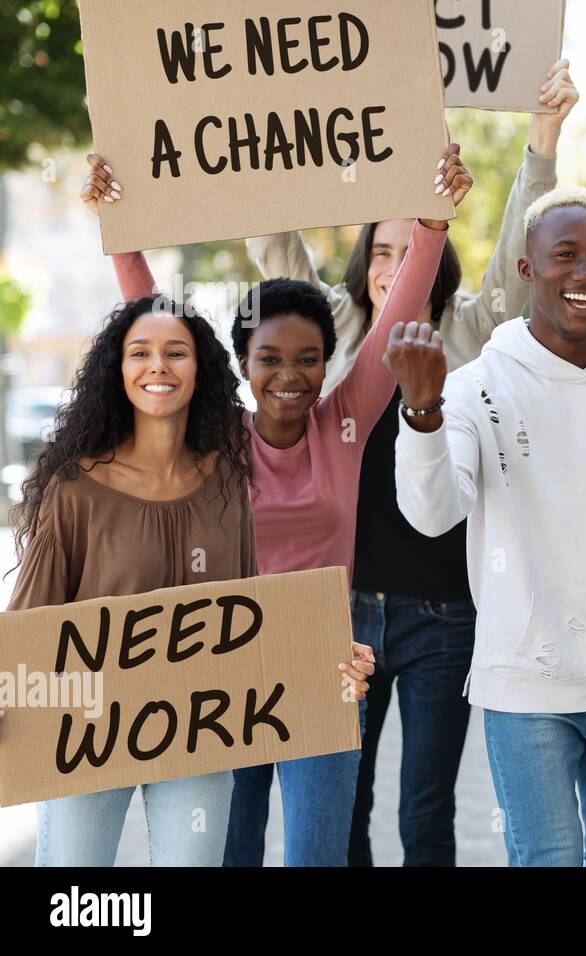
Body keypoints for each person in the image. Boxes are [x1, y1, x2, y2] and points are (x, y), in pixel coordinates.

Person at [83, 143, 472, 866]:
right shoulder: (215, 437)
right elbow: (150, 320)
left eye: (307, 359)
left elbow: (400, 309)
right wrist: (119, 225)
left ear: (331, 362)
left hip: (325, 661)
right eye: (270, 359)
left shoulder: (347, 423)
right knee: (234, 850)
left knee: (317, 856)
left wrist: (432, 221)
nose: (290, 377)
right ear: (243, 365)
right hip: (225, 656)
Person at [242, 60, 577, 867]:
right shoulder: (336, 340)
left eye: (411, 244)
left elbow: (516, 254)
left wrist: (542, 138)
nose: (396, 263)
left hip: (445, 614)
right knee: (341, 798)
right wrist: (256, 127)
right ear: (362, 264)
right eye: (381, 248)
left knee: (426, 812)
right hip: (345, 608)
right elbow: (274, 243)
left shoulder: (476, 332)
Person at [386, 186, 586, 867]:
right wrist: (423, 415)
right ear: (526, 269)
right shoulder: (472, 386)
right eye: (565, 255)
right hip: (526, 688)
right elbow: (433, 513)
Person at [5, 289, 348, 865]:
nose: (158, 365)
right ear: (118, 371)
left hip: (199, 733)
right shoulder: (75, 488)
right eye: (140, 352)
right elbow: (31, 618)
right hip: (89, 728)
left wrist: (328, 662)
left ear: (201, 370)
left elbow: (245, 618)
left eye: (176, 352)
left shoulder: (227, 483)